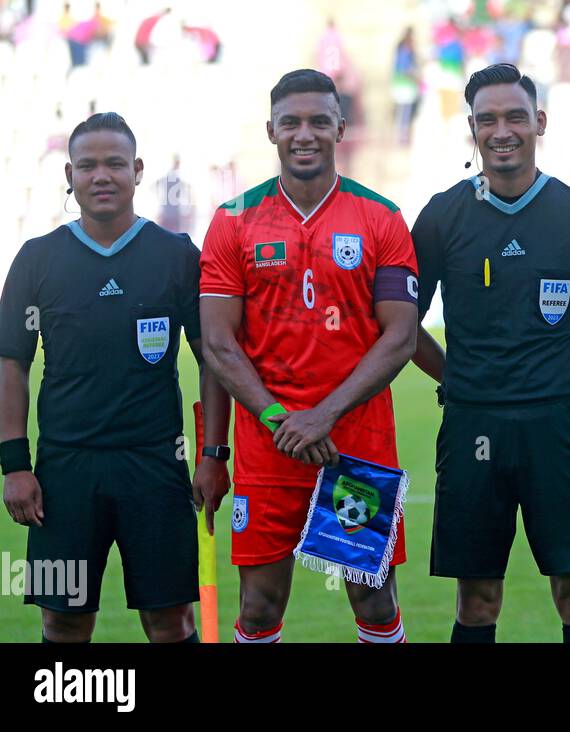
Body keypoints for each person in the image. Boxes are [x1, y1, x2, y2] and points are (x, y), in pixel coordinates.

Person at [199, 69, 422, 644]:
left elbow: (399, 336)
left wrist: (323, 415)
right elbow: (219, 344)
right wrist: (279, 419)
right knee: (258, 608)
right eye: (291, 122)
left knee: (373, 602)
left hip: (356, 443)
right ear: (270, 131)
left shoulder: (382, 217)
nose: (305, 134)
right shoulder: (233, 221)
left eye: (319, 121)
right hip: (266, 448)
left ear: (340, 128)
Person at [0, 112, 230, 642]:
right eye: (89, 165)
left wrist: (214, 455)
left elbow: (213, 359)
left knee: (170, 621)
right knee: (63, 619)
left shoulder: (176, 256)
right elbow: (14, 366)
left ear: (138, 170)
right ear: (69, 175)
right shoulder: (37, 259)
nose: (102, 176)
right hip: (65, 472)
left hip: (156, 468)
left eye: (115, 164)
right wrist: (15, 466)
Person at [410, 63, 570, 643]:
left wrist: (568, 371)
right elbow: (400, 324)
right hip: (472, 422)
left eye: (516, 117)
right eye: (488, 119)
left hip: (559, 424)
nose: (503, 130)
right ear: (471, 128)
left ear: (539, 122)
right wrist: (456, 377)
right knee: (476, 598)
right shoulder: (442, 215)